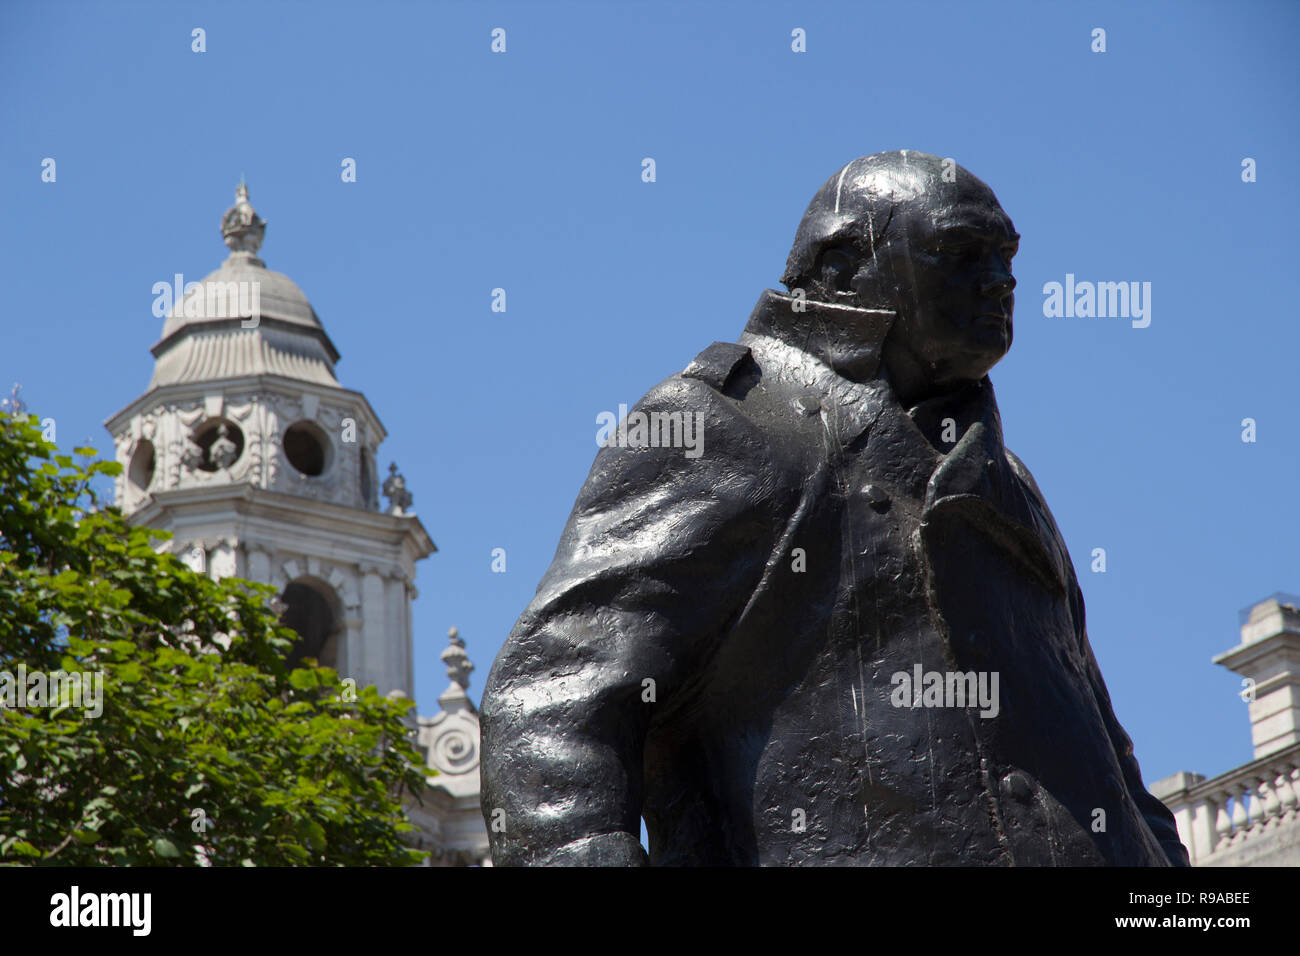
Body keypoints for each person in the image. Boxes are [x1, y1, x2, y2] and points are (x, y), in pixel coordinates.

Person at [480, 150, 1189, 867]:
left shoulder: (1009, 480)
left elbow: (1111, 761)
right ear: (845, 268)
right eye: (959, 251)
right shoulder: (731, 423)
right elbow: (555, 693)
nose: (1000, 279)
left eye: (1006, 255)